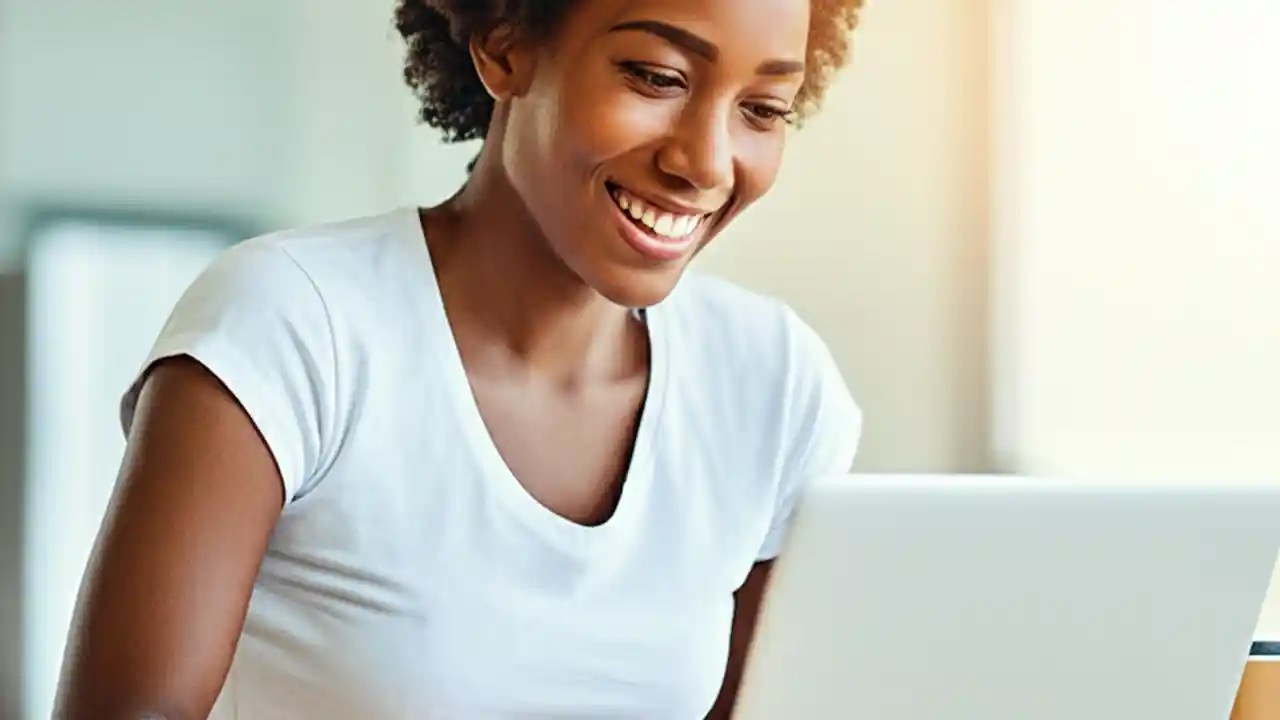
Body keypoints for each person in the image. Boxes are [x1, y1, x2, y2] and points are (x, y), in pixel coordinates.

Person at [55, 0, 864, 717]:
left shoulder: (773, 384)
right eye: (655, 76)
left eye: (762, 108)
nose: (706, 162)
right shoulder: (293, 322)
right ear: (505, 47)